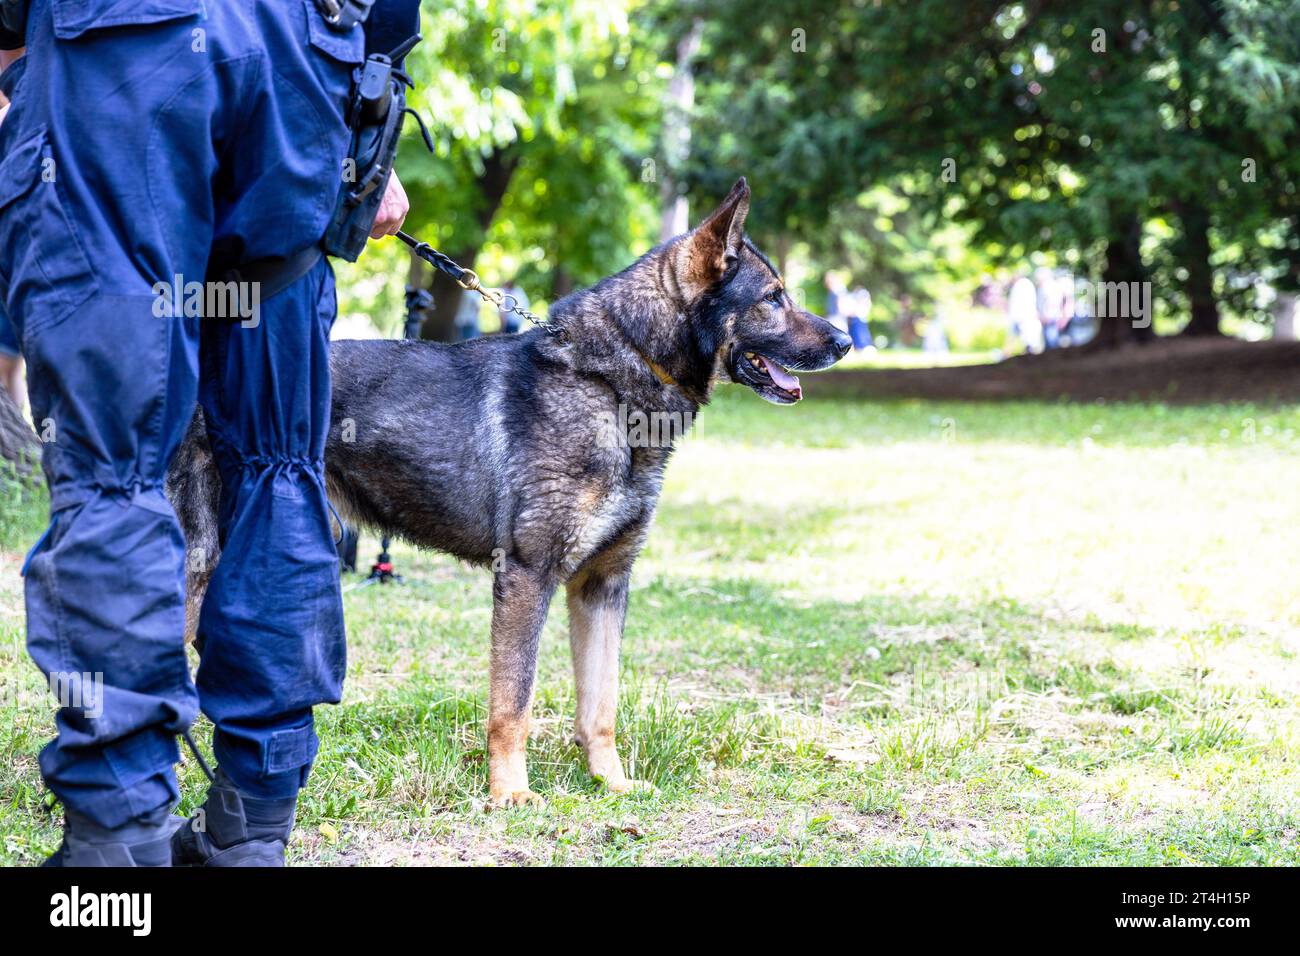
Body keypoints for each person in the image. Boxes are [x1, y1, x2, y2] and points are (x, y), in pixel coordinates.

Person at [0, 0, 418, 867]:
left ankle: (116, 841)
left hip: (120, 45)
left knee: (112, 471)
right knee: (279, 463)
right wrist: (364, 110)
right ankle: (251, 823)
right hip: (305, 55)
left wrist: (22, 90)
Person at [1007, 273, 1043, 353]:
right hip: (1022, 317)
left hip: (1023, 317)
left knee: (1028, 339)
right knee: (1022, 338)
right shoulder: (1024, 284)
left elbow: (1021, 302)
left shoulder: (1022, 285)